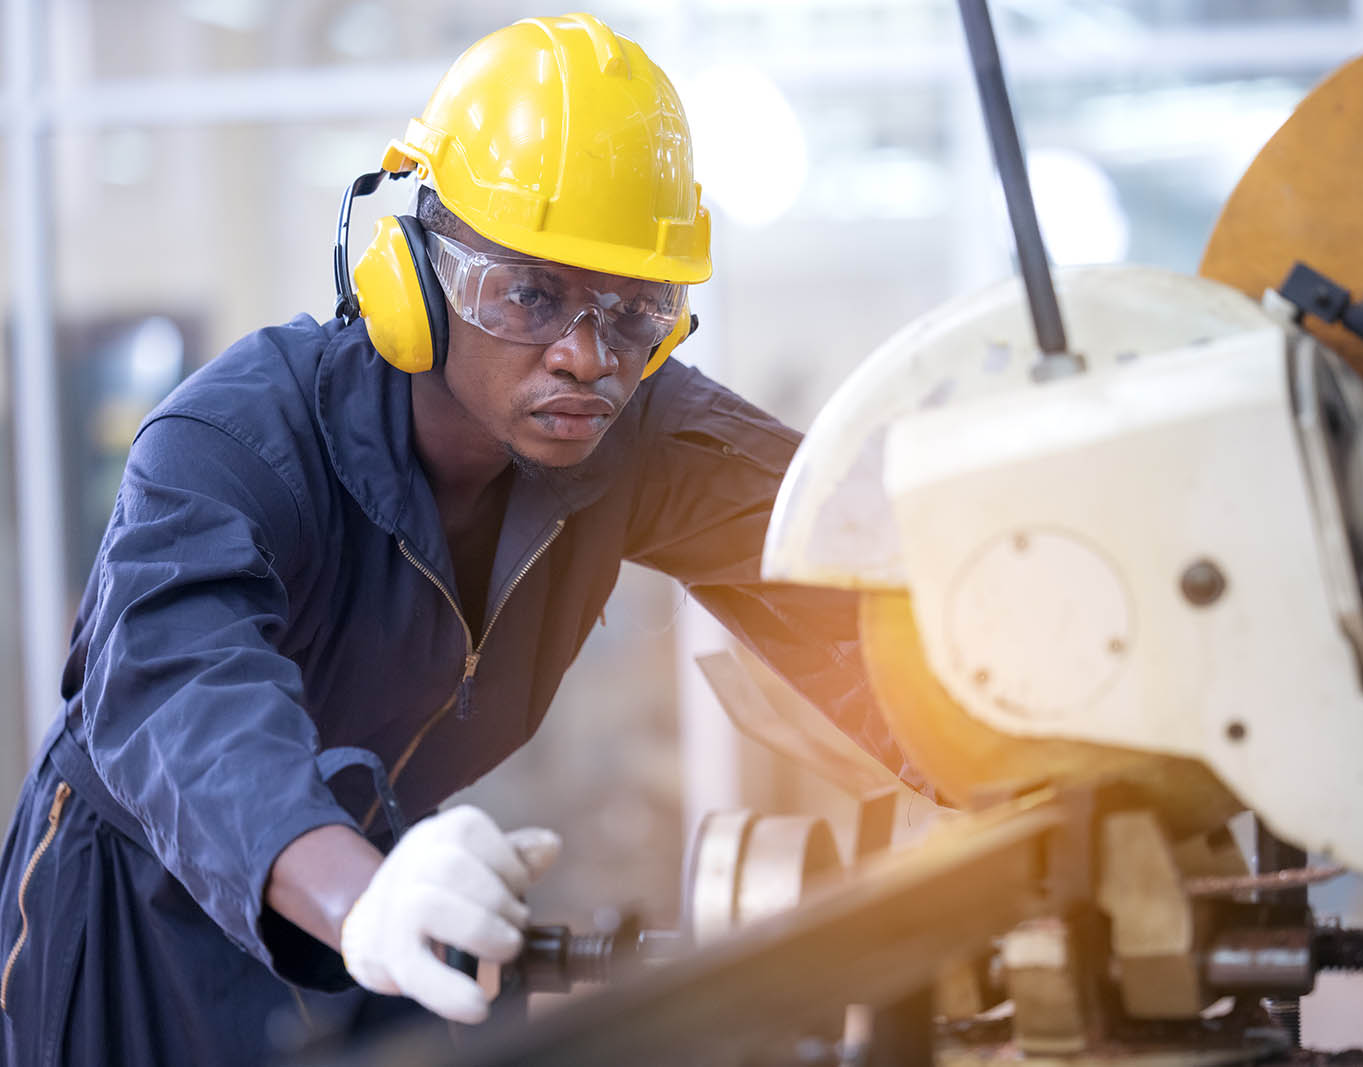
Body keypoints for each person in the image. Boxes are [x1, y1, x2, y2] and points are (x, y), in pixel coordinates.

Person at [0, 14, 926, 1065]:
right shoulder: (236, 441)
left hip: (383, 897)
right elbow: (179, 695)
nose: (587, 356)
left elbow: (838, 549)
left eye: (634, 310)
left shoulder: (635, 432)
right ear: (412, 276)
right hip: (134, 921)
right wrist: (359, 899)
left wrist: (984, 755)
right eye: (530, 293)